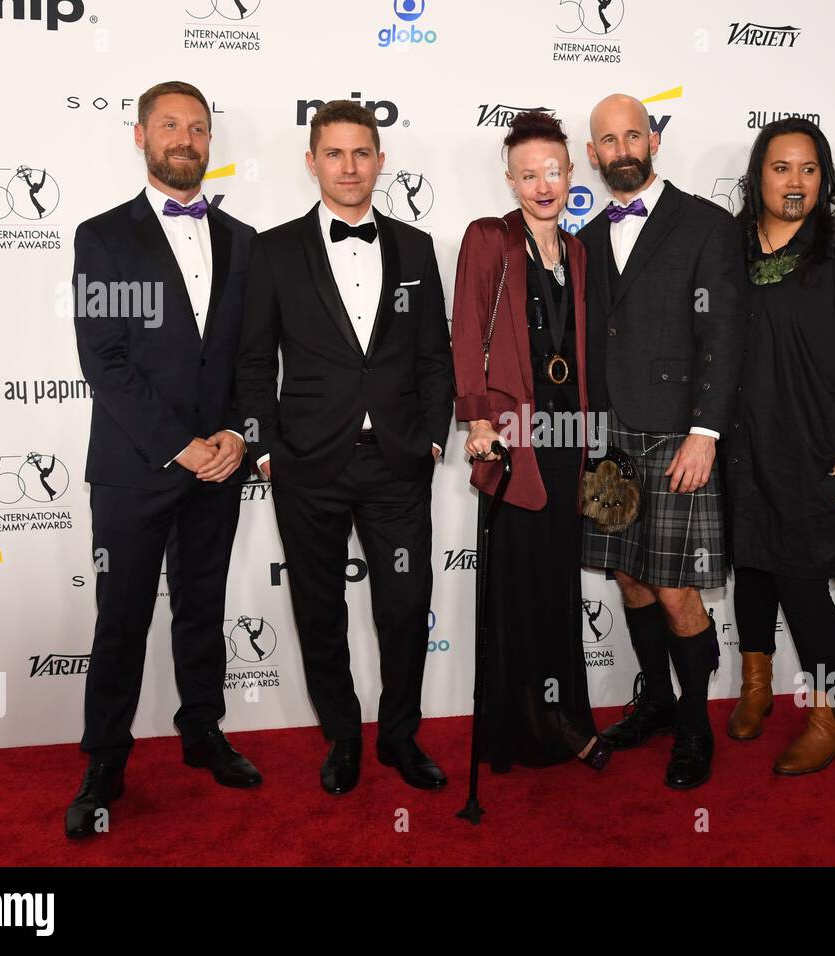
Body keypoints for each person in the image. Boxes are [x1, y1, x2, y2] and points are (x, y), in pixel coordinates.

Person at [235, 100, 453, 795]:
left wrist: (434, 438)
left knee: (403, 604)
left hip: (396, 462)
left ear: (381, 161)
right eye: (335, 153)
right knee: (319, 611)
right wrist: (266, 449)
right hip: (307, 464)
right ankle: (342, 737)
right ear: (311, 162)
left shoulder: (417, 248)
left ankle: (399, 736)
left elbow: (434, 358)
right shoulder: (270, 250)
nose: (350, 166)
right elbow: (251, 363)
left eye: (362, 153)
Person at [67, 80, 260, 840]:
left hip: (220, 464)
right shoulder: (103, 236)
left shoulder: (244, 240)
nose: (186, 139)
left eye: (199, 128)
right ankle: (105, 760)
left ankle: (202, 731)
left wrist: (240, 436)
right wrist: (180, 445)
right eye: (171, 125)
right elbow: (104, 359)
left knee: (203, 607)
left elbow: (252, 356)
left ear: (211, 143)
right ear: (141, 136)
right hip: (134, 467)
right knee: (120, 620)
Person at [724, 119, 835, 774]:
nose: (795, 181)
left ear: (824, 179)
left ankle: (829, 717)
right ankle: (756, 690)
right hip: (744, 443)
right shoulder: (730, 248)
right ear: (758, 175)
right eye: (781, 168)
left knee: (799, 577)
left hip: (820, 446)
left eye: (808, 169)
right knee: (750, 563)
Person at [578, 93, 745, 789]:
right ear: (592, 154)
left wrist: (705, 431)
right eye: (606, 141)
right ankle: (657, 699)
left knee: (676, 588)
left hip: (679, 432)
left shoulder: (705, 224)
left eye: (631, 136)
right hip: (606, 437)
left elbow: (727, 334)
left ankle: (695, 724)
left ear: (653, 139)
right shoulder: (582, 238)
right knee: (629, 576)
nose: (621, 149)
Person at [452, 111, 610, 773]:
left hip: (566, 441)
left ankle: (561, 716)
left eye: (553, 171)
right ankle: (520, 728)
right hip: (514, 442)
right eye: (528, 173)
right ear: (511, 179)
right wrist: (479, 421)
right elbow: (465, 330)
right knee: (516, 592)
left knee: (554, 588)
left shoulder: (575, 250)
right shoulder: (490, 238)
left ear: (572, 176)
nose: (542, 184)